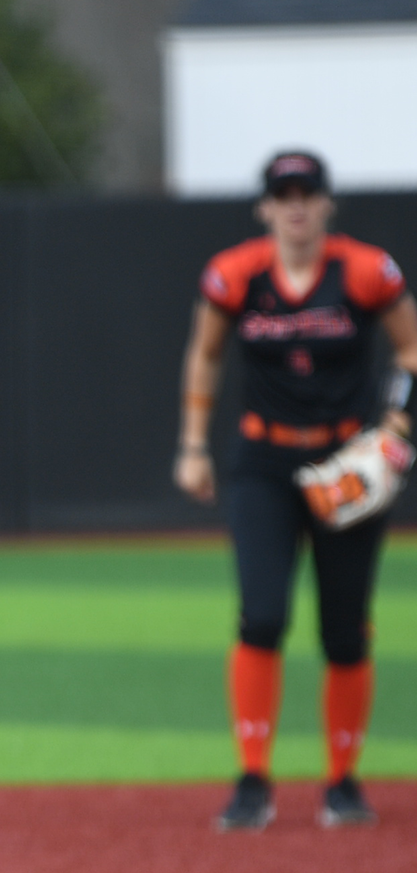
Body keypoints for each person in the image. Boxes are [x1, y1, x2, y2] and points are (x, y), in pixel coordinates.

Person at [175, 150, 417, 831]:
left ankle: (342, 782)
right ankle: (253, 778)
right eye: (284, 193)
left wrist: (395, 425)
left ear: (327, 203)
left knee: (345, 632)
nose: (296, 205)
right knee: (263, 616)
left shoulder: (365, 271)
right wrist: (193, 445)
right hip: (265, 463)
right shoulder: (235, 275)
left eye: (307, 191)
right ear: (265, 207)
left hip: (346, 465)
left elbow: (411, 350)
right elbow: (206, 351)